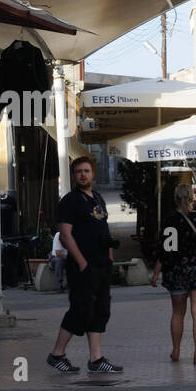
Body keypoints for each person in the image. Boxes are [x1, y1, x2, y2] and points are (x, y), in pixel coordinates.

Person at [46, 156, 123, 374]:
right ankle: (57, 354)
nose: (82, 174)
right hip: (83, 266)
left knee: (100, 310)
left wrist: (109, 257)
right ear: (74, 175)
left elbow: (103, 228)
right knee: (81, 309)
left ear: (93, 173)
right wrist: (81, 263)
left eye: (86, 171)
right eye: (78, 171)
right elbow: (65, 236)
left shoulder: (97, 198)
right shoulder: (70, 201)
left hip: (101, 264)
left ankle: (96, 358)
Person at [151, 184, 196, 365]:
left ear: (175, 198)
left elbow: (165, 250)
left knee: (177, 313)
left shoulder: (170, 220)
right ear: (192, 198)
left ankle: (176, 351)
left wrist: (156, 273)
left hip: (177, 271)